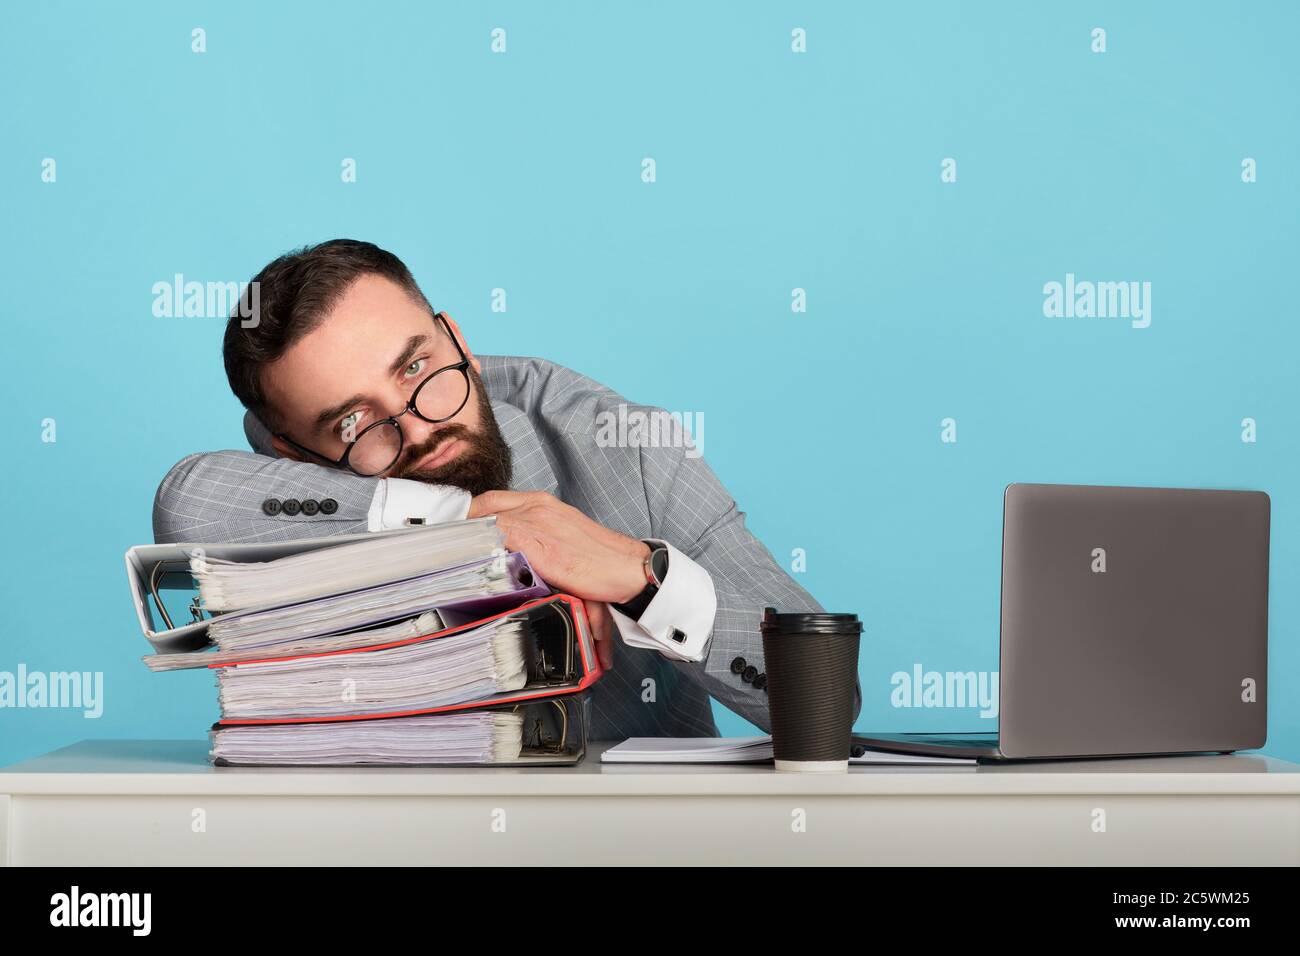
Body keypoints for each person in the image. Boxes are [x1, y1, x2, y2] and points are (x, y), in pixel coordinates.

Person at [153, 239, 860, 739]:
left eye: (417, 367)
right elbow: (188, 503)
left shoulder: (620, 448)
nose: (421, 429)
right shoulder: (302, 480)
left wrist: (640, 579)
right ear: (290, 448)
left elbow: (828, 701)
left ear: (456, 339)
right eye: (354, 419)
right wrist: (480, 526)